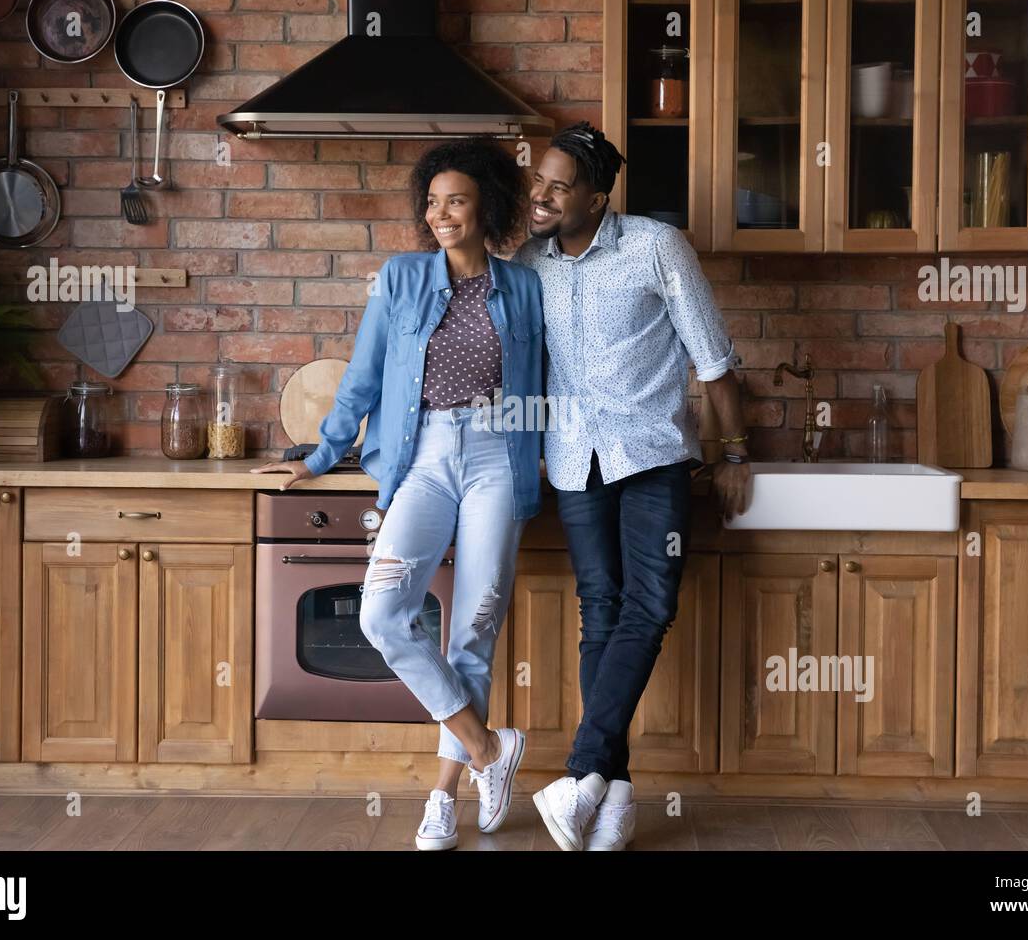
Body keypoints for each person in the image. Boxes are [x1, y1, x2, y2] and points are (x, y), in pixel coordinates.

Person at [251, 138, 544, 852]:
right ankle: (488, 749)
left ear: (488, 207)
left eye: (458, 200)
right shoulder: (402, 277)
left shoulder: (526, 287)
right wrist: (320, 456)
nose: (440, 213)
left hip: (499, 457)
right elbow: (363, 374)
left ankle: (442, 797)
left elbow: (548, 385)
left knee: (473, 629)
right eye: (433, 201)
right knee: (383, 615)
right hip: (422, 460)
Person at [516, 122, 751, 851]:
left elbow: (711, 359)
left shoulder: (655, 245)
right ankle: (609, 793)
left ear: (599, 194)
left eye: (560, 185)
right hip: (572, 460)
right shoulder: (531, 261)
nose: (543, 196)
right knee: (602, 610)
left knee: (649, 605)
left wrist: (735, 450)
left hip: (653, 457)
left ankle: (583, 771)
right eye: (538, 182)